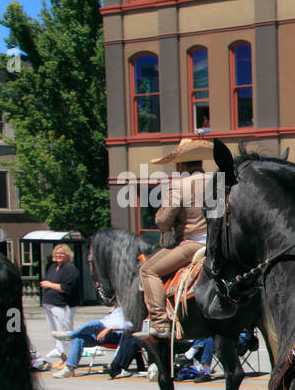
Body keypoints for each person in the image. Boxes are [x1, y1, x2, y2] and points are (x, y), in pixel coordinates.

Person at [135, 138, 213, 341]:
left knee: (148, 270)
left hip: (192, 244)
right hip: (217, 243)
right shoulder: (217, 180)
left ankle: (160, 323)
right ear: (200, 163)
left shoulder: (178, 186)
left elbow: (163, 221)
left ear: (180, 164)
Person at [50, 306, 133, 377]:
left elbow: (130, 326)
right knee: (79, 338)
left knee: (96, 323)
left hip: (113, 335)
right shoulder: (115, 311)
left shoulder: (127, 311)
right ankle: (69, 369)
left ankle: (70, 335)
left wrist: (108, 329)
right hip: (98, 335)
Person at [39, 243, 80, 366]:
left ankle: (70, 359)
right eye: (57, 253)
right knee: (55, 332)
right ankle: (62, 357)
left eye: (62, 253)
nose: (59, 255)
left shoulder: (70, 269)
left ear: (68, 255)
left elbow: (66, 287)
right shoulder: (52, 267)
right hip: (49, 304)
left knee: (64, 332)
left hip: (62, 305)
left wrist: (49, 285)